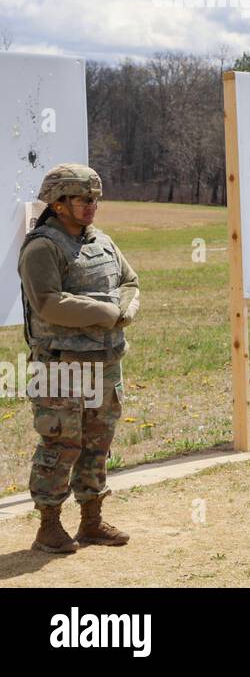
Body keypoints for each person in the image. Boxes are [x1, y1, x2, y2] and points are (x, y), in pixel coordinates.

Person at [19, 163, 138, 554]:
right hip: (59, 366)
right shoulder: (42, 247)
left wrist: (126, 306)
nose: (91, 206)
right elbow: (49, 304)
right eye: (82, 199)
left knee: (97, 443)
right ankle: (49, 526)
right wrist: (107, 312)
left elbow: (130, 281)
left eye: (94, 199)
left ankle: (91, 521)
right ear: (58, 202)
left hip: (105, 362)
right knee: (60, 445)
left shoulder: (101, 242)